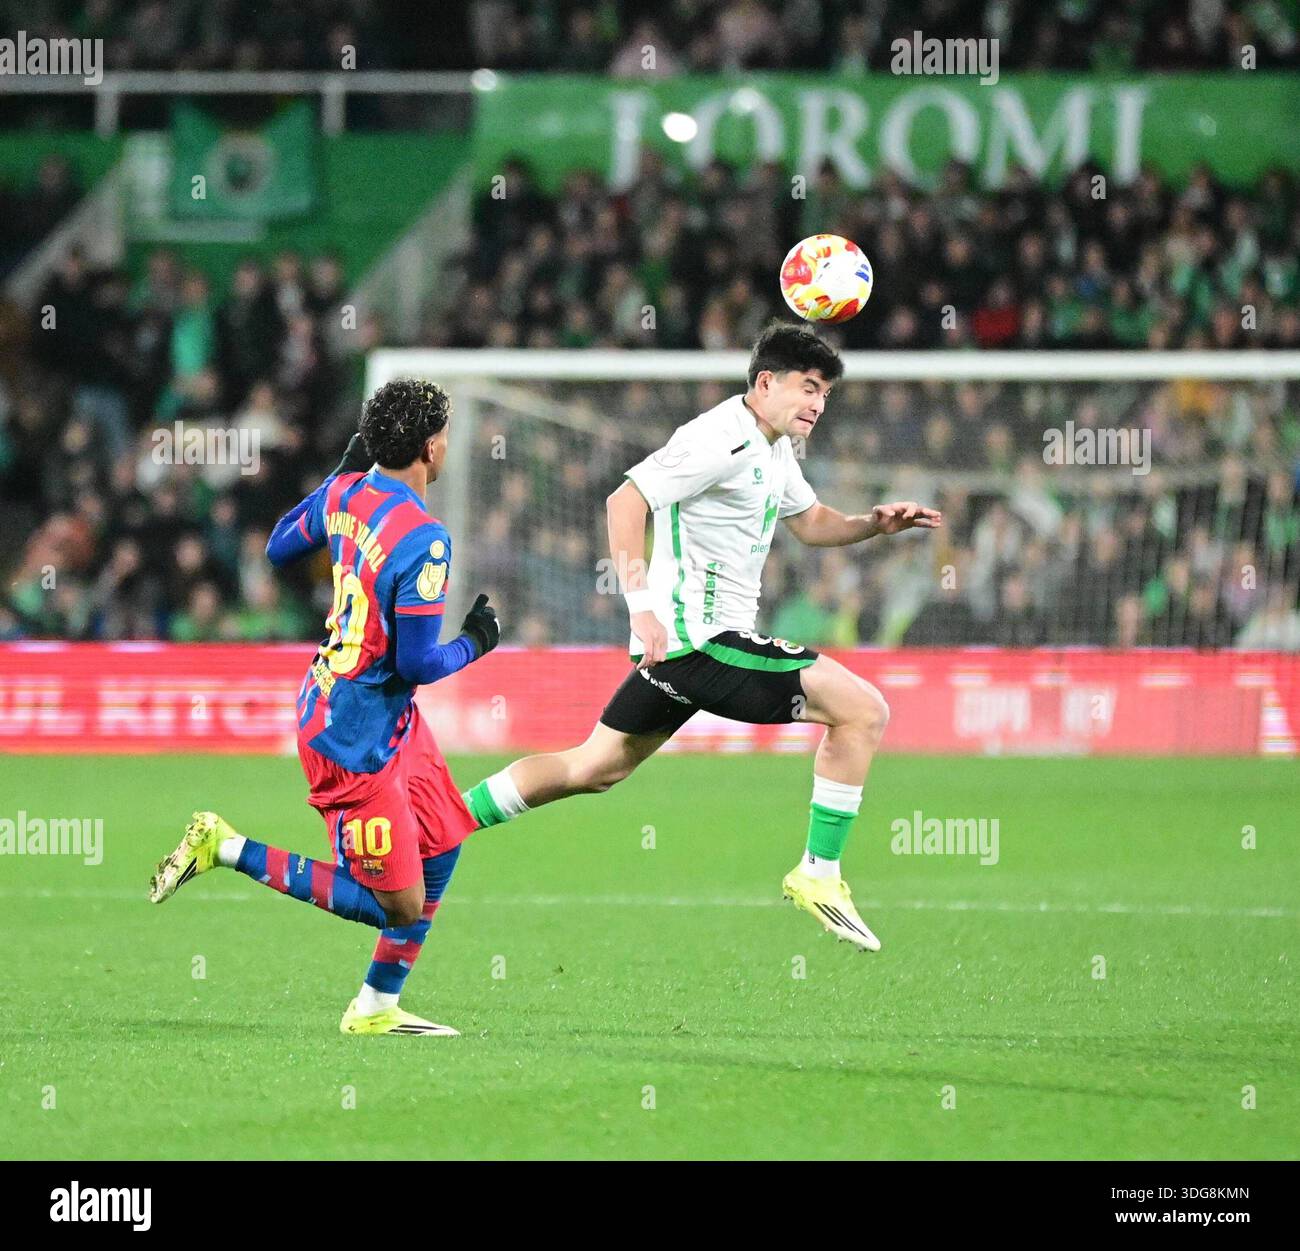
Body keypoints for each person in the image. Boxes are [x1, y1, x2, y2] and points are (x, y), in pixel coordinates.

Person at [463, 323, 941, 951]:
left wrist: (871, 526)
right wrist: (640, 605)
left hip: (686, 649)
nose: (818, 404)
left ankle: (443, 817)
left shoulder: (774, 447)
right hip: (700, 643)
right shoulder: (718, 439)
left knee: (593, 767)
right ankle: (819, 873)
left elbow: (811, 522)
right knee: (862, 710)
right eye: (808, 388)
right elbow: (624, 502)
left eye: (825, 393)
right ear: (765, 382)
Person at [148, 378, 500, 1035]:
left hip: (381, 715)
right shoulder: (425, 539)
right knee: (395, 906)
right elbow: (419, 664)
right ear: (429, 448)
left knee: (446, 837)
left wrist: (338, 475)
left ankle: (376, 1007)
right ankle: (224, 845)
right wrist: (478, 641)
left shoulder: (345, 493)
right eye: (445, 434)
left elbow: (280, 546)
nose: (447, 444)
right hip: (350, 740)